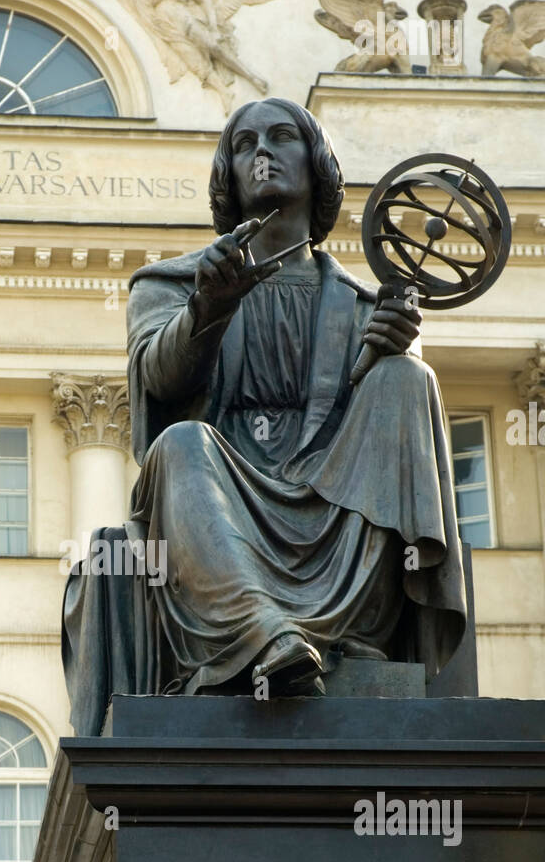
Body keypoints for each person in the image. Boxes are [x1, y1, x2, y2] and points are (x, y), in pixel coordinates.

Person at [63, 98, 466, 735]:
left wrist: (396, 346)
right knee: (183, 443)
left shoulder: (364, 301)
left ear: (319, 165)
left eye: (282, 137)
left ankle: (357, 630)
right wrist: (209, 308)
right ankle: (263, 634)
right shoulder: (169, 284)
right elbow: (162, 379)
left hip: (334, 500)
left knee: (406, 379)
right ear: (229, 173)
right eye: (245, 143)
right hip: (219, 499)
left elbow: (391, 429)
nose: (262, 152)